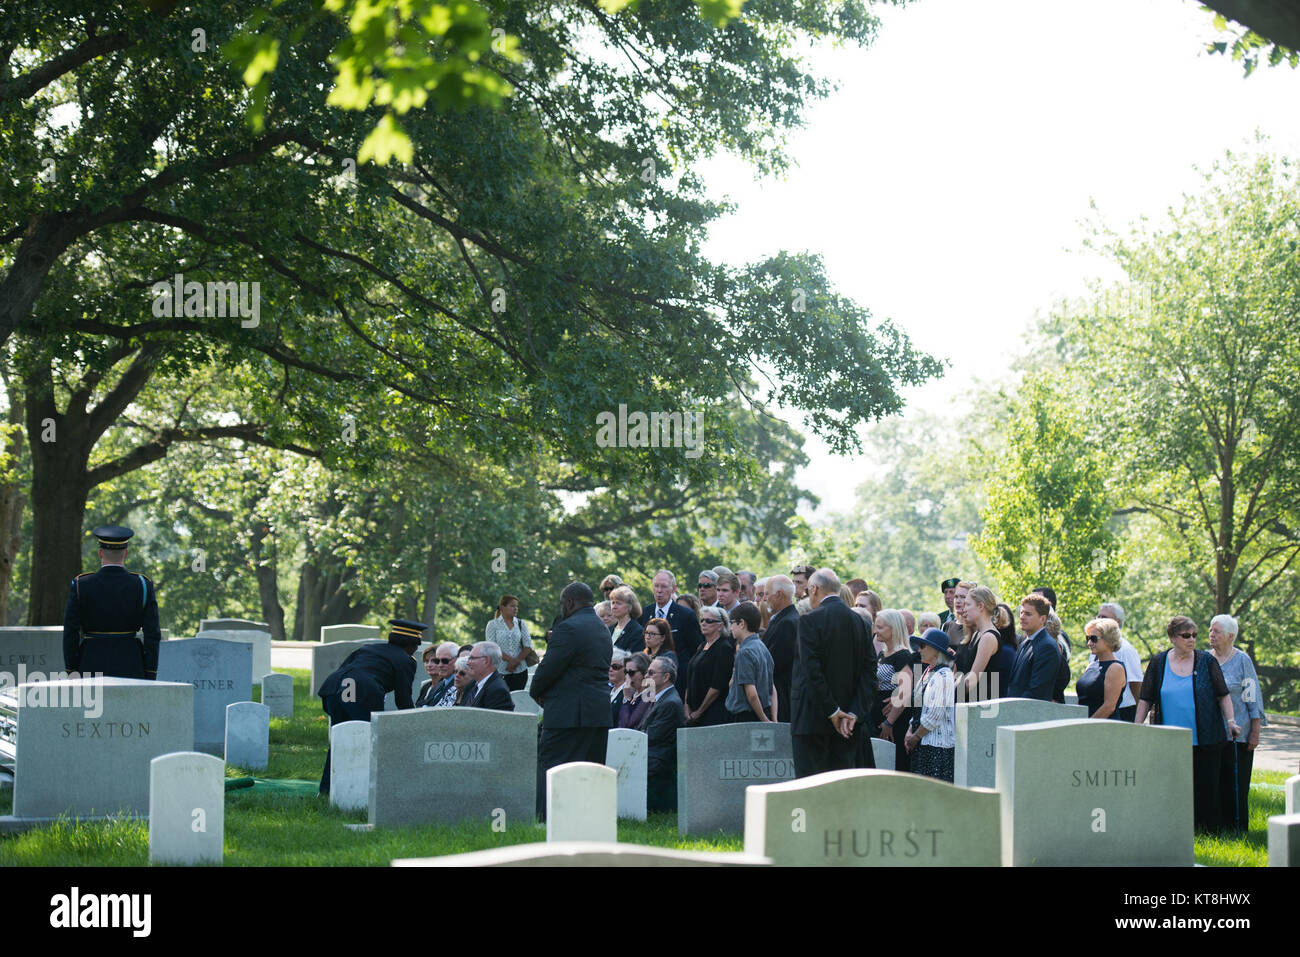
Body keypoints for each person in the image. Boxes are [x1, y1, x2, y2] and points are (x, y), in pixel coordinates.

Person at [1135, 616, 1240, 832]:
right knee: (1173, 786)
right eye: (1185, 636)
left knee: (1206, 786)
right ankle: (1174, 828)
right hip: (1169, 738)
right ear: (1172, 638)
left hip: (1205, 736)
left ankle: (1208, 830)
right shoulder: (1159, 662)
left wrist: (1231, 721)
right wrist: (1137, 727)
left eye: (1194, 635)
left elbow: (1223, 695)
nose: (1191, 640)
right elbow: (1146, 698)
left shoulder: (1206, 661)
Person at [530, 582, 613, 818]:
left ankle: (547, 820)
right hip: (597, 712)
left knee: (552, 767)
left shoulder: (568, 629)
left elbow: (548, 670)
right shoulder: (601, 628)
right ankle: (586, 819)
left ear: (569, 602)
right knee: (589, 771)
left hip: (568, 714)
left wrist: (536, 691)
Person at [790, 568, 877, 778]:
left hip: (813, 720)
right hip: (849, 723)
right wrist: (854, 713)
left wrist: (832, 711)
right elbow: (869, 673)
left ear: (814, 589)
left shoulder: (809, 620)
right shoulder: (861, 623)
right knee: (841, 791)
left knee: (811, 791)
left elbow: (812, 671)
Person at [318, 618, 422, 793]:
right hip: (364, 693)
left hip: (334, 689)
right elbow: (402, 698)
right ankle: (364, 789)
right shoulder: (406, 660)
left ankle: (327, 789)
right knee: (367, 741)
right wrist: (412, 722)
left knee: (339, 741)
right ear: (412, 646)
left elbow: (345, 669)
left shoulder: (367, 648)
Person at [63, 524, 162, 680]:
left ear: (100, 553)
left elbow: (70, 633)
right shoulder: (142, 585)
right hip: (131, 665)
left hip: (90, 663)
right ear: (126, 553)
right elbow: (153, 635)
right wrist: (150, 672)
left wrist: (72, 669)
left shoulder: (82, 585)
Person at [1207, 614, 1266, 833]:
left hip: (1238, 734)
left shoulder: (1242, 660)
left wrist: (1255, 731)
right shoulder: (1205, 659)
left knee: (1236, 784)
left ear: (1231, 636)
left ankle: (1237, 829)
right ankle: (1215, 827)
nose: (1211, 635)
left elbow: (1253, 696)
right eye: (1211, 630)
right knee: (1214, 783)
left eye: (1217, 631)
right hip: (1211, 734)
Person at [904, 629, 956, 781]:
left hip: (936, 748)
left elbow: (935, 714)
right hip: (922, 743)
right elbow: (918, 707)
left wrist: (915, 737)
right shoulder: (927, 671)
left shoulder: (944, 675)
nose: (919, 650)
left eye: (923, 646)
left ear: (935, 650)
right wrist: (910, 730)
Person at [637, 569, 703, 689]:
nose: (659, 590)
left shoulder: (685, 615)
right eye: (656, 586)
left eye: (664, 586)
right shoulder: (645, 613)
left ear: (673, 589)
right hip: (648, 681)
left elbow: (695, 650)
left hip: (677, 680)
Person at [640, 656, 685, 813]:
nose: (646, 676)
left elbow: (652, 736)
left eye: (651, 673)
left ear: (666, 677)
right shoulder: (661, 699)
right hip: (653, 755)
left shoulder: (670, 703)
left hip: (658, 762)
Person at [874, 608, 914, 772]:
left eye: (881, 627)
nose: (876, 631)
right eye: (876, 626)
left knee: (894, 763)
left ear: (894, 629)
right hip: (879, 716)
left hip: (895, 722)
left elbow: (905, 692)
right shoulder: (883, 653)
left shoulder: (903, 655)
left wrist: (889, 722)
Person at [725, 602, 776, 722]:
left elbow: (752, 694)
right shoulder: (763, 648)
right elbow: (772, 688)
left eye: (732, 623)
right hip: (764, 712)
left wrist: (764, 720)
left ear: (742, 623)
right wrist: (774, 719)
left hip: (747, 717)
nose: (731, 628)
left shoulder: (745, 652)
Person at [685, 605, 735, 726]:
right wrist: (686, 706)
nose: (704, 623)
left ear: (720, 625)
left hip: (712, 712)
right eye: (702, 620)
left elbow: (717, 686)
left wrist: (699, 711)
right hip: (692, 711)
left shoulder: (724, 648)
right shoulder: (701, 646)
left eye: (709, 621)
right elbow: (690, 678)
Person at [952, 585, 1001, 701]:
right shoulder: (977, 634)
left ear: (980, 606)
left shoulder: (988, 637)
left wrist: (946, 695)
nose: (964, 609)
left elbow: (972, 680)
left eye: (968, 604)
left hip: (982, 708)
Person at [1007, 594, 1059, 701]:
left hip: (1028, 713)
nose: (1022, 617)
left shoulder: (1047, 647)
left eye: (1028, 614)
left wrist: (1014, 710)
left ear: (1042, 619)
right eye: (1021, 613)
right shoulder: (1024, 643)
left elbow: (1037, 692)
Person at [1097, 602, 1144, 722]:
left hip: (1123, 712)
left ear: (1117, 622)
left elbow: (1136, 684)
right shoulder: (1095, 646)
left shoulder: (1126, 650)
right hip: (1098, 709)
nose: (1100, 620)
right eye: (1099, 616)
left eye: (1105, 617)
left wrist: (1139, 718)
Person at [762, 575, 798, 721]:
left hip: (782, 696)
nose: (764, 599)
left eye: (766, 593)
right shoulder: (783, 619)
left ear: (779, 594)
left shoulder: (788, 623)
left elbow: (774, 662)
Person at [1076, 618, 1127, 719]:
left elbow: (1109, 707)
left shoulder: (1115, 668)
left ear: (1109, 640)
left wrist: (1086, 725)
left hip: (1104, 727)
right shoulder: (1091, 665)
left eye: (1094, 639)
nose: (1089, 643)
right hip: (1084, 723)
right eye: (1088, 638)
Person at [485, 594, 533, 691]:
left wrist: (516, 661)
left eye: (516, 606)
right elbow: (492, 648)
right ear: (502, 607)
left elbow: (528, 646)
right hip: (501, 671)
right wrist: (511, 661)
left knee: (518, 700)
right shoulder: (492, 625)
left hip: (520, 671)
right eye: (512, 606)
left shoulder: (521, 623)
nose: (516, 609)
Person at [464, 641, 516, 710]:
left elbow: (495, 720)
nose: (467, 663)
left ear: (486, 661)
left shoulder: (498, 691)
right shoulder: (472, 685)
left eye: (472, 658)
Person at [613, 652, 653, 729]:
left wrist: (626, 699)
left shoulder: (648, 695)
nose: (627, 677)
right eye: (626, 672)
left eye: (631, 673)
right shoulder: (633, 693)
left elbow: (627, 725)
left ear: (644, 673)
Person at [416, 641, 460, 707]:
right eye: (437, 661)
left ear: (457, 660)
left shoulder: (460, 684)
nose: (440, 665)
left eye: (445, 661)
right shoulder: (439, 684)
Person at [608, 585, 644, 653]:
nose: (614, 607)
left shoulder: (637, 631)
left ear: (630, 607)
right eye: (613, 603)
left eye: (618, 603)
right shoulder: (609, 630)